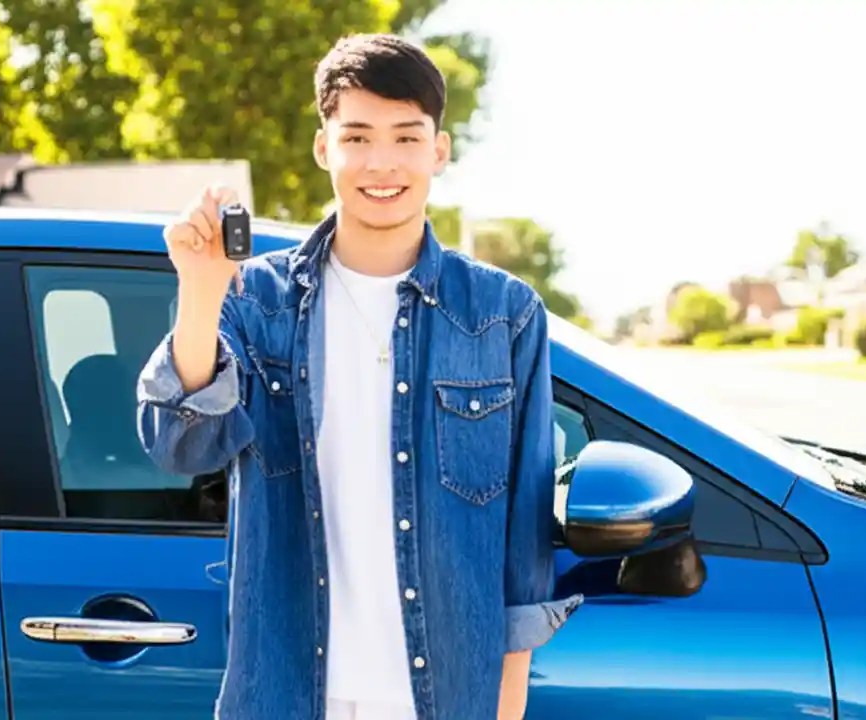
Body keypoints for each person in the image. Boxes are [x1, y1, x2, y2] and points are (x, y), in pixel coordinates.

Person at [136, 33, 583, 720]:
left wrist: (506, 699)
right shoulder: (255, 299)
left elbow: (525, 536)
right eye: (357, 137)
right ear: (325, 148)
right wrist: (200, 289)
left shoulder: (502, 314)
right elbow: (181, 445)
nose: (382, 163)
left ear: (439, 150)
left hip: (445, 697)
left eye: (406, 138)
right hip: (289, 694)